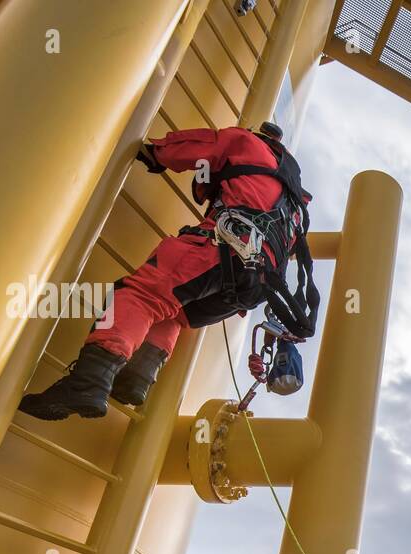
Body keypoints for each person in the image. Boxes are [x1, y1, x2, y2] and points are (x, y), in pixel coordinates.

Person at [18, 121, 318, 420]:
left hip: (220, 249)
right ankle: (136, 379)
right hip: (249, 288)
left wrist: (156, 153)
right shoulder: (293, 205)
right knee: (174, 312)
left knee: (140, 297)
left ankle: (88, 382)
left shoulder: (246, 143)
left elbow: (201, 149)